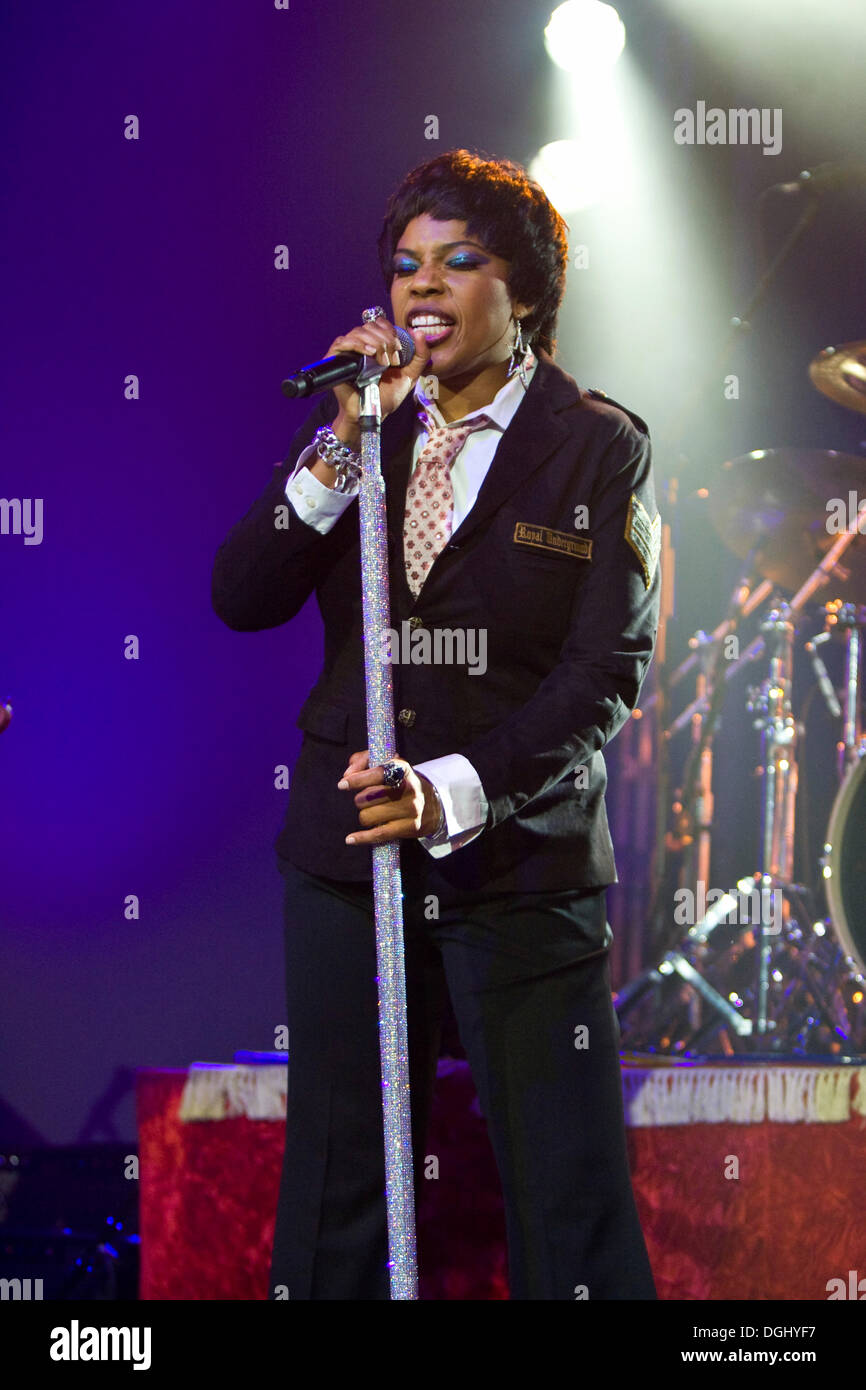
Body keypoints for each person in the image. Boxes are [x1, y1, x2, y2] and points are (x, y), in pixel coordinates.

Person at [212, 148, 661, 1300]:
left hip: (515, 861)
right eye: (406, 266)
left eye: (461, 262)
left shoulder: (595, 445)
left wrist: (449, 786)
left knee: (566, 1206)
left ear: (526, 293)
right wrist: (338, 437)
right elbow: (242, 595)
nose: (424, 287)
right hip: (345, 861)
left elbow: (601, 672)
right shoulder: (367, 432)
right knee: (336, 1195)